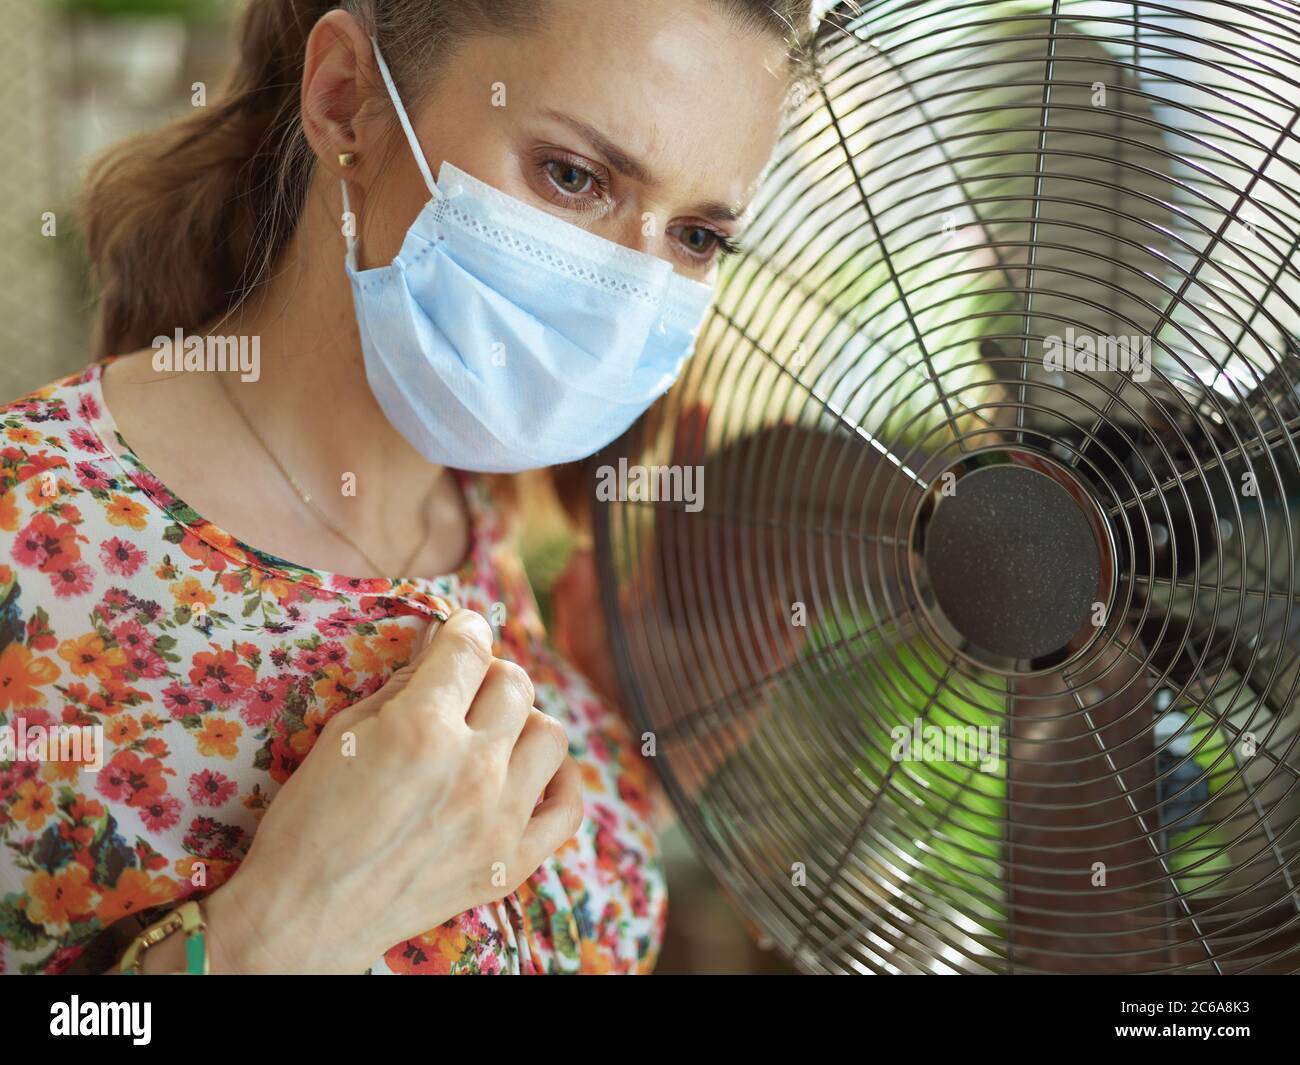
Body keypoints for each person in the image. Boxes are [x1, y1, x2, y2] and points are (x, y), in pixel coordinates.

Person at [0, 0, 809, 974]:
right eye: (571, 176)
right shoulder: (28, 535)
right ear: (345, 102)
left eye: (695, 237)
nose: (632, 297)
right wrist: (272, 938)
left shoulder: (516, 556)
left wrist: (626, 770)